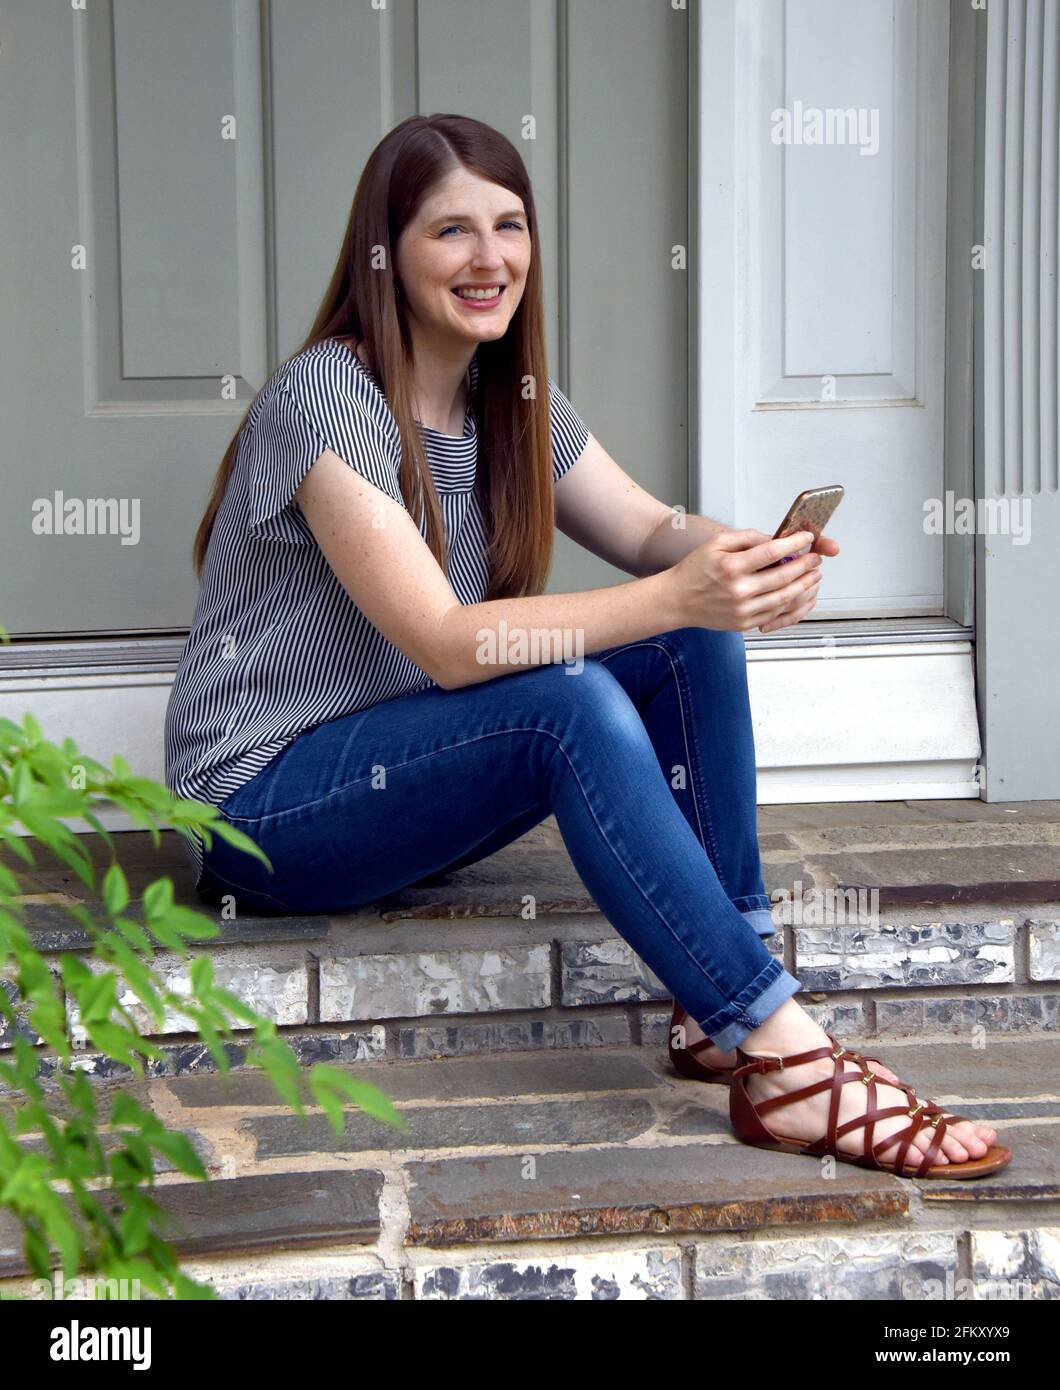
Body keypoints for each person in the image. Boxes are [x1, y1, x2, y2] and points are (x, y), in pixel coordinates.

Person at [163, 114, 1009, 1181]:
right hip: (258, 814)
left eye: (509, 225)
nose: (490, 258)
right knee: (569, 697)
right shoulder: (326, 398)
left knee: (686, 639)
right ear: (386, 254)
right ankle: (787, 1059)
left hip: (388, 766)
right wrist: (675, 591)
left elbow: (651, 530)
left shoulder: (504, 397)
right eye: (450, 231)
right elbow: (445, 646)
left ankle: (717, 1016)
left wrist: (736, 560)